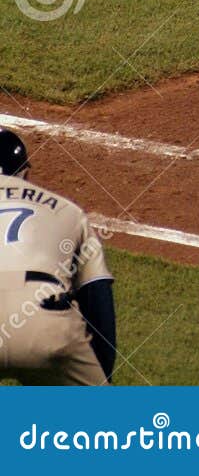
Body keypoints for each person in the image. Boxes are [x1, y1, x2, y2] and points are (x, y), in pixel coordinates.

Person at [0, 130, 116, 385]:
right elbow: (97, 300)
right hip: (43, 325)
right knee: (101, 420)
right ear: (24, 173)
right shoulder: (69, 211)